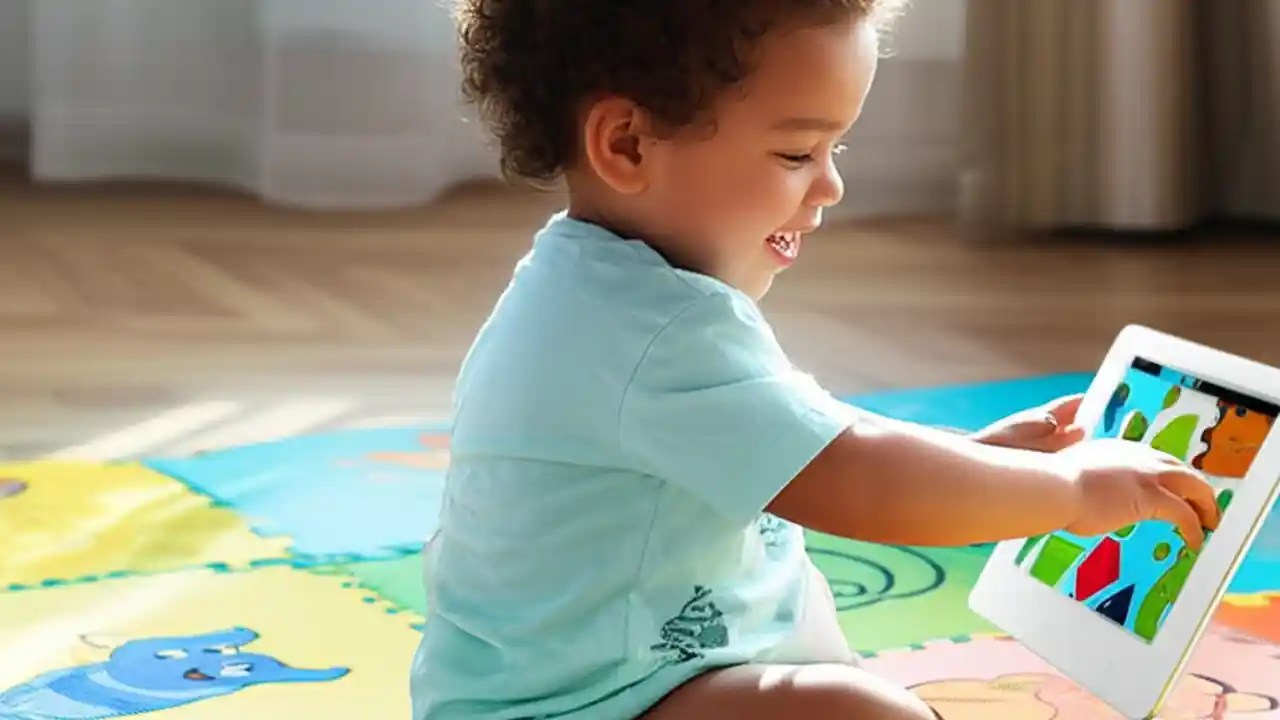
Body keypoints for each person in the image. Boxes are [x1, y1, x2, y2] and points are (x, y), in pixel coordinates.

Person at [410, 1, 1223, 718]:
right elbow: (858, 478)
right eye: (797, 154)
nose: (829, 186)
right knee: (857, 713)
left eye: (836, 150)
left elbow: (810, 435)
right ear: (628, 144)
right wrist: (1071, 493)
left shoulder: (597, 287)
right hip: (588, 706)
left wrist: (972, 460)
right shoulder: (654, 333)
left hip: (626, 680)